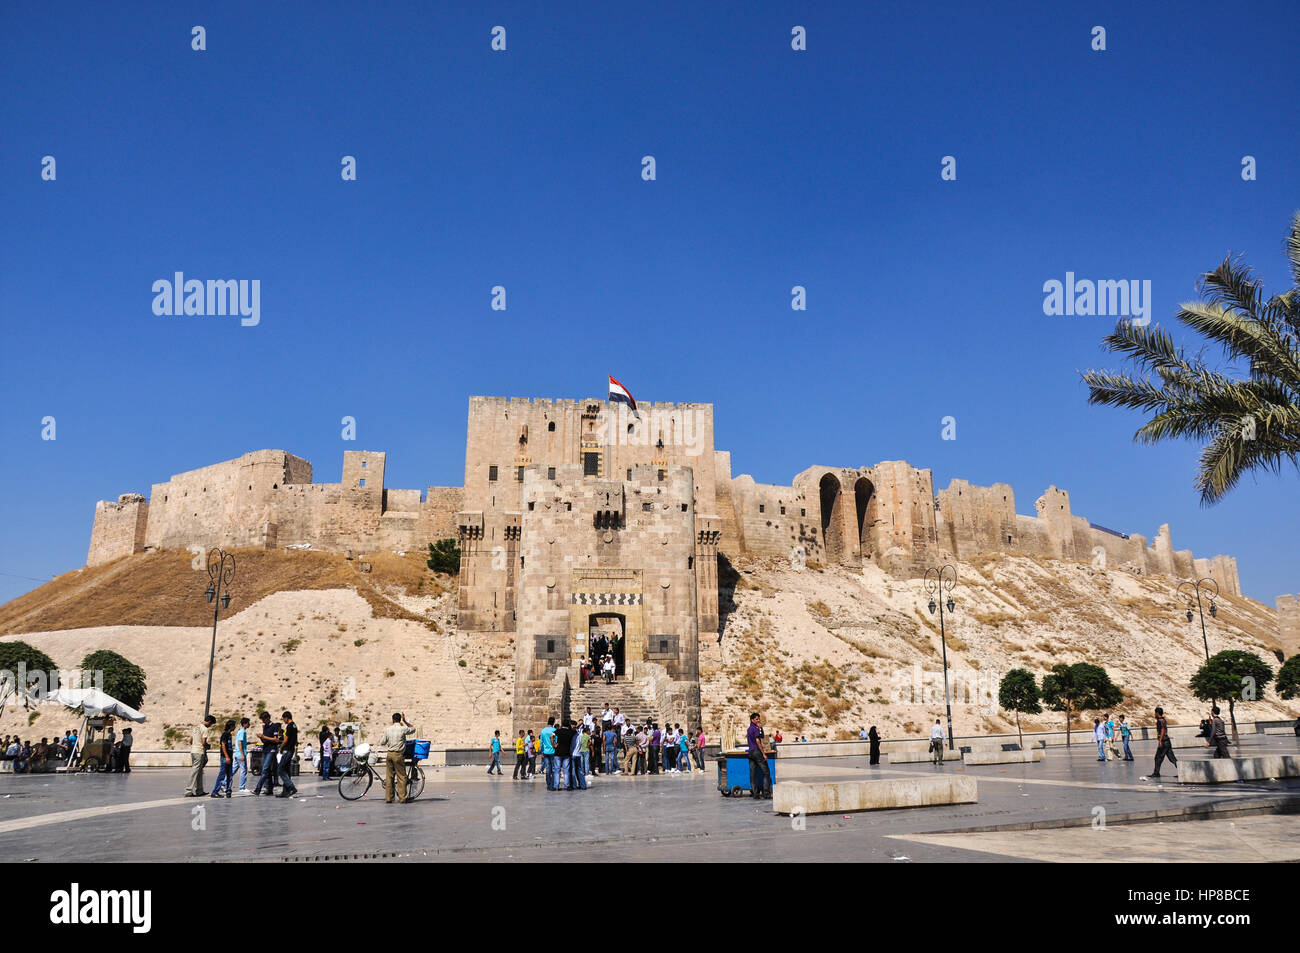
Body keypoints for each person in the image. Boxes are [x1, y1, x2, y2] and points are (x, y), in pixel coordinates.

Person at [381, 712, 416, 803]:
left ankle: (389, 798)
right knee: (401, 777)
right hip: (398, 755)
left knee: (389, 777)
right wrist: (405, 721)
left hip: (389, 755)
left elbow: (382, 742)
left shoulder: (388, 729)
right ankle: (402, 798)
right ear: (400, 720)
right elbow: (413, 728)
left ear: (392, 720)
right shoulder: (403, 729)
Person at [184, 714, 215, 797]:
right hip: (199, 752)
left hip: (193, 751)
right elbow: (204, 742)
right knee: (194, 772)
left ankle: (199, 790)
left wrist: (195, 745)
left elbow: (190, 740)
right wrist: (208, 746)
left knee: (199, 772)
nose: (210, 726)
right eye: (211, 724)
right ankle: (188, 791)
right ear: (209, 721)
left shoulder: (196, 727)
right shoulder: (205, 729)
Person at [253, 711, 280, 796]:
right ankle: (269, 789)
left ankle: (258, 789)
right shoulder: (265, 727)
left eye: (264, 720)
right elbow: (265, 740)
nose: (263, 722)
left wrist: (264, 736)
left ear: (268, 718)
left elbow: (276, 740)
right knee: (266, 770)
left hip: (271, 750)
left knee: (265, 769)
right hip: (265, 750)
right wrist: (261, 737)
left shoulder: (274, 726)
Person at [1148, 706, 1178, 779]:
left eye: (1155, 713)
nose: (1154, 714)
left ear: (1157, 713)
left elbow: (1163, 730)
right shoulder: (1163, 720)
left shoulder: (1160, 721)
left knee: (1158, 757)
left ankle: (1156, 773)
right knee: (1172, 758)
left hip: (1164, 742)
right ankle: (1182, 771)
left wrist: (1160, 741)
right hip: (1167, 742)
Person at [211, 720, 237, 798]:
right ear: (231, 726)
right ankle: (215, 792)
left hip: (229, 758)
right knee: (222, 775)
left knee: (230, 775)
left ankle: (228, 791)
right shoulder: (225, 735)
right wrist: (227, 757)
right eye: (234, 726)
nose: (235, 727)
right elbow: (223, 745)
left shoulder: (229, 735)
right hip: (225, 758)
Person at [747, 713, 770, 799]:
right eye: (757, 719)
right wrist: (763, 753)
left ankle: (755, 794)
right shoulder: (755, 728)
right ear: (752, 720)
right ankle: (766, 793)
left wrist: (761, 728)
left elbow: (762, 736)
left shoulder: (749, 729)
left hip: (750, 752)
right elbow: (758, 740)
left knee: (753, 774)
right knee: (766, 772)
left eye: (758, 719)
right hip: (757, 752)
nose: (758, 720)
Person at [277, 711, 300, 799]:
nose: (283, 720)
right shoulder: (294, 726)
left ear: (287, 717)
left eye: (283, 718)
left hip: (287, 750)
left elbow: (286, 739)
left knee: (280, 769)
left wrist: (281, 747)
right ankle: (285, 791)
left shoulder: (289, 726)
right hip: (291, 749)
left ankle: (291, 787)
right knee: (286, 771)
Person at [540, 717, 559, 790]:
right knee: (554, 769)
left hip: (546, 752)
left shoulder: (543, 731)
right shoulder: (554, 730)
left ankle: (548, 784)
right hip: (553, 752)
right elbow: (556, 741)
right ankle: (553, 784)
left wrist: (541, 751)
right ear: (553, 722)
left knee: (548, 769)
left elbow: (541, 742)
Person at [233, 718, 251, 794]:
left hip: (237, 754)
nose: (249, 724)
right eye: (248, 723)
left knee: (233, 770)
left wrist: (251, 742)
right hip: (240, 754)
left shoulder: (240, 731)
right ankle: (242, 787)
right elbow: (240, 743)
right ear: (244, 724)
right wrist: (242, 754)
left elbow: (241, 743)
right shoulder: (242, 732)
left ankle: (223, 783)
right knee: (244, 770)